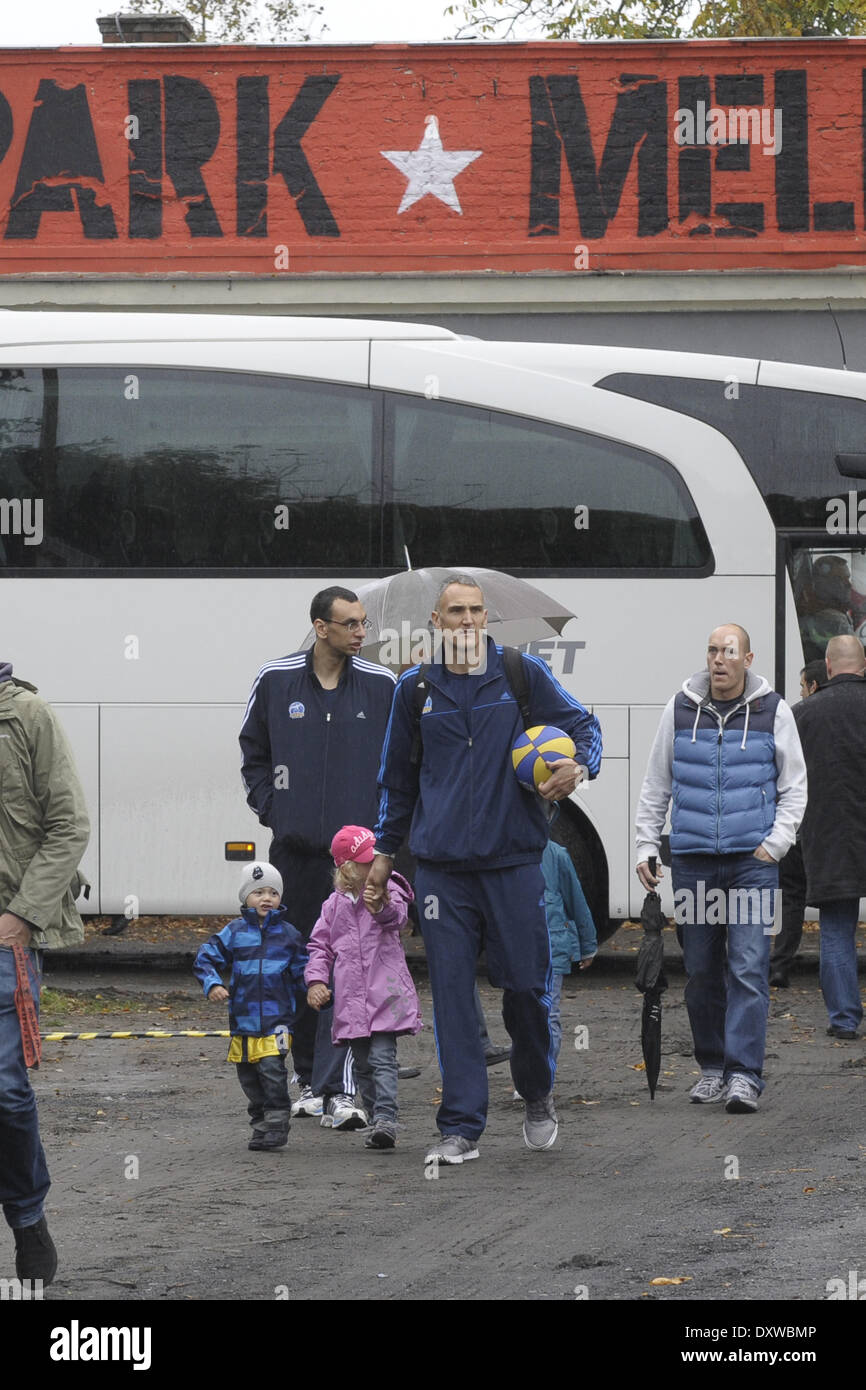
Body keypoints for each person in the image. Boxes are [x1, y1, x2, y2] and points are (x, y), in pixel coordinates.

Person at [367, 575, 603, 1166]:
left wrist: (580, 768)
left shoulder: (521, 675)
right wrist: (385, 852)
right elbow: (396, 780)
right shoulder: (414, 689)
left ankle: (537, 1091)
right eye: (456, 612)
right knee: (451, 999)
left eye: (476, 611)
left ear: (486, 619)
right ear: (437, 623)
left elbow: (585, 728)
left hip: (516, 862)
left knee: (526, 989)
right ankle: (461, 1127)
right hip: (442, 871)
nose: (467, 621)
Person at [240, 587, 397, 1131]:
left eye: (363, 623)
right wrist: (275, 811)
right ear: (320, 627)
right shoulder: (276, 679)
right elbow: (252, 754)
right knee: (303, 966)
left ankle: (346, 1086)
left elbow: (399, 763)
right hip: (297, 856)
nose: (361, 633)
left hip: (359, 863)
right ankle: (308, 1077)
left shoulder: (382, 685)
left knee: (354, 971)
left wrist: (382, 838)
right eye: (350, 624)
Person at [635, 625, 806, 1114]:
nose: (719, 659)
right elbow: (656, 783)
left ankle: (744, 1075)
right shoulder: (680, 707)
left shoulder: (775, 711)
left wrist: (775, 845)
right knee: (702, 970)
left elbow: (795, 785)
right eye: (712, 650)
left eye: (728, 651)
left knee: (749, 967)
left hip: (752, 864)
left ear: (747, 657)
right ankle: (713, 1068)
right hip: (692, 863)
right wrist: (647, 844)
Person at [0, 660, 90, 1284]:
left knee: (4, 1092)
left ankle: (28, 1218)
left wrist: (22, 915)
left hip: (4, 933)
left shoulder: (27, 715)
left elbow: (68, 825)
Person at [305, 826, 421, 1150]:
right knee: (363, 1065)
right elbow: (319, 946)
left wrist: (380, 904)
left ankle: (386, 1118)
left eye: (376, 860)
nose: (375, 867)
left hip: (385, 994)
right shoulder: (333, 906)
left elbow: (397, 918)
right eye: (367, 862)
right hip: (352, 1002)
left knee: (384, 1058)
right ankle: (374, 1117)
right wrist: (315, 980)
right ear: (348, 868)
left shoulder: (390, 888)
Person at [194, 863, 308, 1150]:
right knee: (248, 1076)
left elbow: (304, 970)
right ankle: (260, 1124)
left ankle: (277, 1123)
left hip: (278, 1020)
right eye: (258, 892)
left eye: (273, 892)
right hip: (243, 1021)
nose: (266, 898)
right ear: (245, 897)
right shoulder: (234, 932)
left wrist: (316, 989)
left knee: (272, 1069)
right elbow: (205, 958)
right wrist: (213, 984)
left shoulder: (290, 935)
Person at [795, 634, 866, 1040]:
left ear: (827, 665)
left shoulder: (803, 714)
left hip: (831, 837)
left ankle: (843, 1020)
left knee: (837, 930)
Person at [769, 659, 828, 988]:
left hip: (794, 823)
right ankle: (833, 966)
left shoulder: (796, 717)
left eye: (803, 686)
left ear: (814, 686)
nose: (801, 692)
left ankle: (780, 964)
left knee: (791, 896)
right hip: (827, 825)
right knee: (835, 900)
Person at [541, 837, 597, 1066]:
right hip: (522, 949)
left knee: (547, 1014)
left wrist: (587, 945)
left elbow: (576, 900)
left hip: (552, 946)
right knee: (525, 1015)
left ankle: (542, 1079)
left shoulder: (555, 855)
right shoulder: (504, 850)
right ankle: (531, 1077)